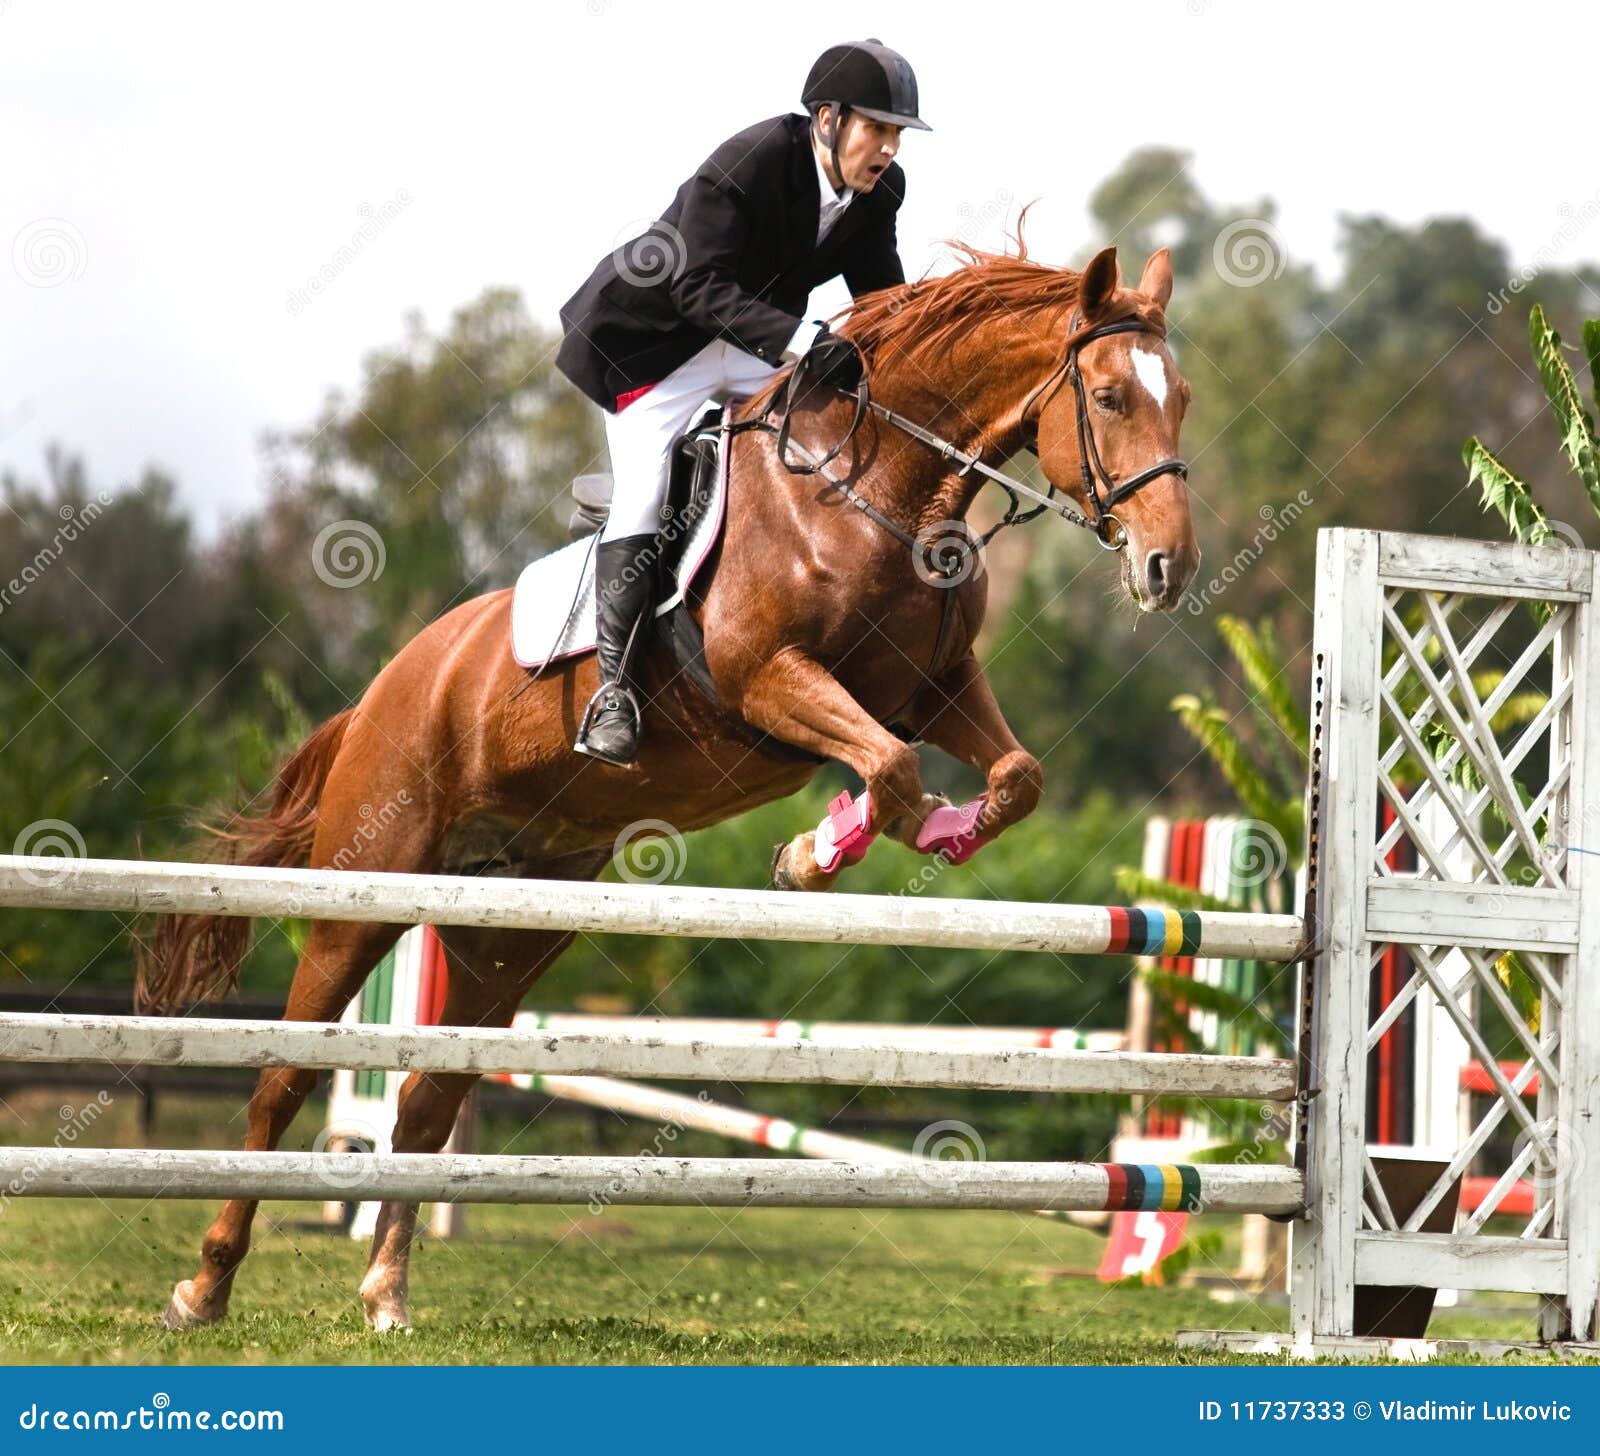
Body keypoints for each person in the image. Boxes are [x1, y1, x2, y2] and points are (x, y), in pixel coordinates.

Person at [555, 39, 929, 765]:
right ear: (827, 117)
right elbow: (694, 287)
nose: (888, 147)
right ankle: (613, 694)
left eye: (897, 134)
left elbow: (882, 293)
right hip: (655, 347)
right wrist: (801, 338)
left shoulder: (881, 190)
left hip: (748, 347)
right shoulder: (751, 160)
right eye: (877, 128)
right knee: (645, 494)